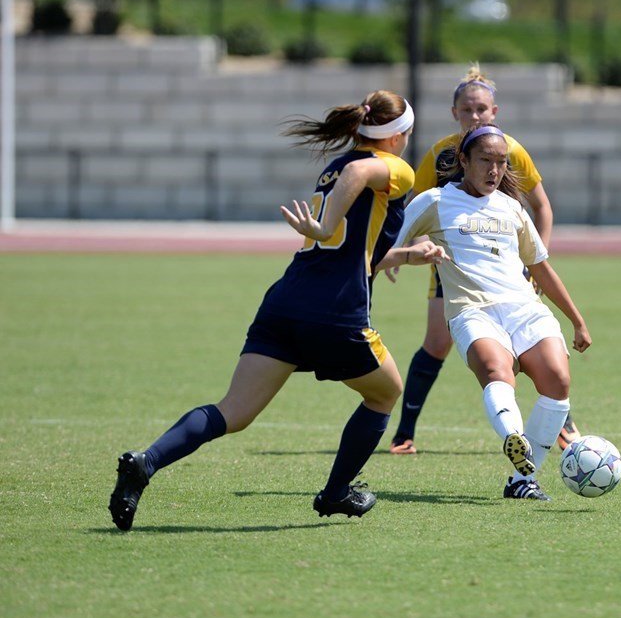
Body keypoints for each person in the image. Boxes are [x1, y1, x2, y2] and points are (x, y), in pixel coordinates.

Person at [107, 91, 448, 530]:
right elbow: (360, 180)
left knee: (234, 412)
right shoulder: (388, 165)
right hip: (335, 313)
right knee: (384, 393)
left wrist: (402, 256)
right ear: (400, 135)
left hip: (287, 302)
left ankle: (145, 462)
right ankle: (336, 492)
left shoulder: (333, 169)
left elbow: (346, 249)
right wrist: (326, 228)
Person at [376, 124, 591, 500]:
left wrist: (577, 319)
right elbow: (382, 246)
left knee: (558, 381)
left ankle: (521, 480)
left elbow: (540, 266)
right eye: (485, 161)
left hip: (524, 308)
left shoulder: (512, 208)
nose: (494, 170)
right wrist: (401, 257)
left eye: (501, 163)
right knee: (497, 371)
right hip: (472, 311)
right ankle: (514, 436)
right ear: (463, 160)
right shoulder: (435, 201)